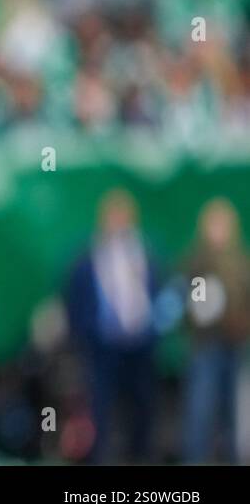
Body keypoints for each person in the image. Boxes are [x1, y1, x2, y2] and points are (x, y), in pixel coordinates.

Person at [65, 189, 161, 464]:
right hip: (102, 343)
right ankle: (99, 457)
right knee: (99, 405)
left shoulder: (146, 252)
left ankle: (140, 455)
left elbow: (157, 291)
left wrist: (155, 327)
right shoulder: (88, 256)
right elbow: (75, 298)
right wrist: (84, 332)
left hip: (141, 342)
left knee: (142, 405)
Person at [181, 197, 250, 463]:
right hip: (206, 345)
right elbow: (192, 307)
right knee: (201, 407)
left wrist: (240, 323)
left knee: (232, 410)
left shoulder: (240, 262)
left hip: (235, 344)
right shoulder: (197, 262)